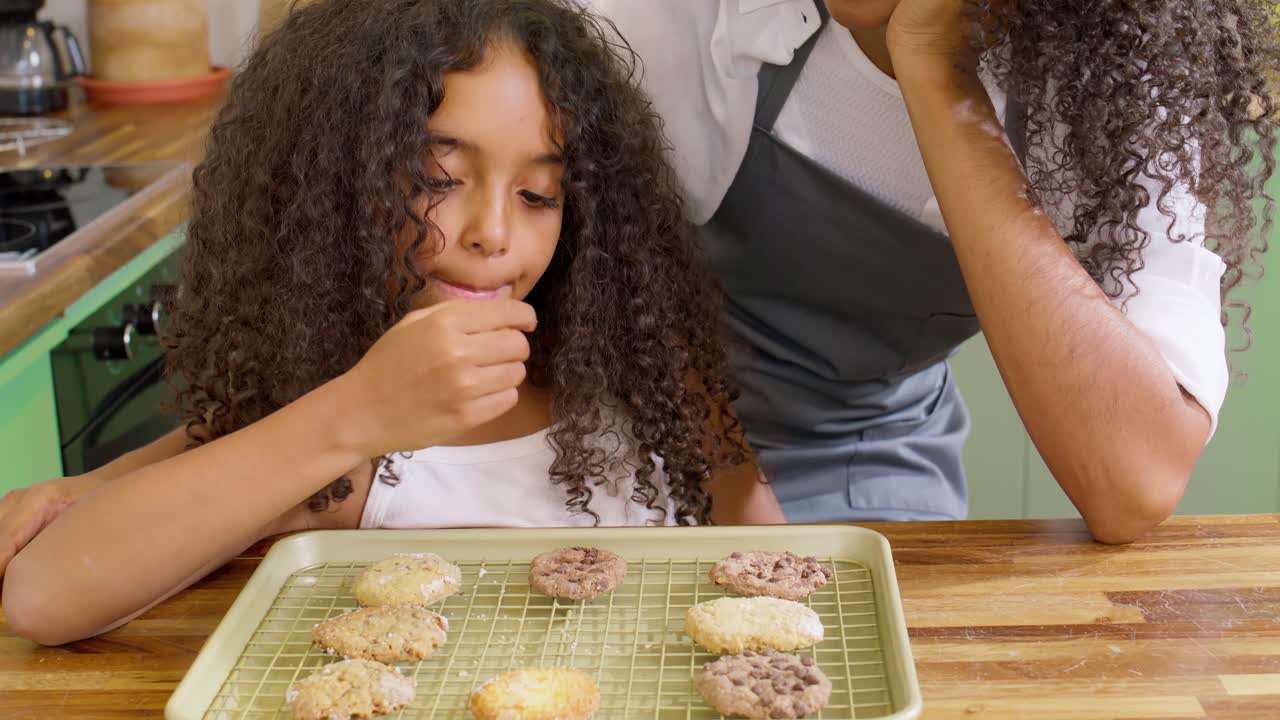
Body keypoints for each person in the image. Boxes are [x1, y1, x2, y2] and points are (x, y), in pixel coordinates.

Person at [0, 0, 783, 646]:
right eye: (438, 179)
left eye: (539, 195)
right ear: (333, 189)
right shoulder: (342, 447)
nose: (494, 233)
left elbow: (767, 551)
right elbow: (43, 601)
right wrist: (359, 414)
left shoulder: (646, 376)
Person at [589, 0, 1278, 541]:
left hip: (867, 457)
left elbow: (1136, 479)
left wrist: (934, 69)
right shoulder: (681, 15)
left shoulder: (1113, 85)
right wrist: (742, 510)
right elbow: (610, 291)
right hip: (612, 427)